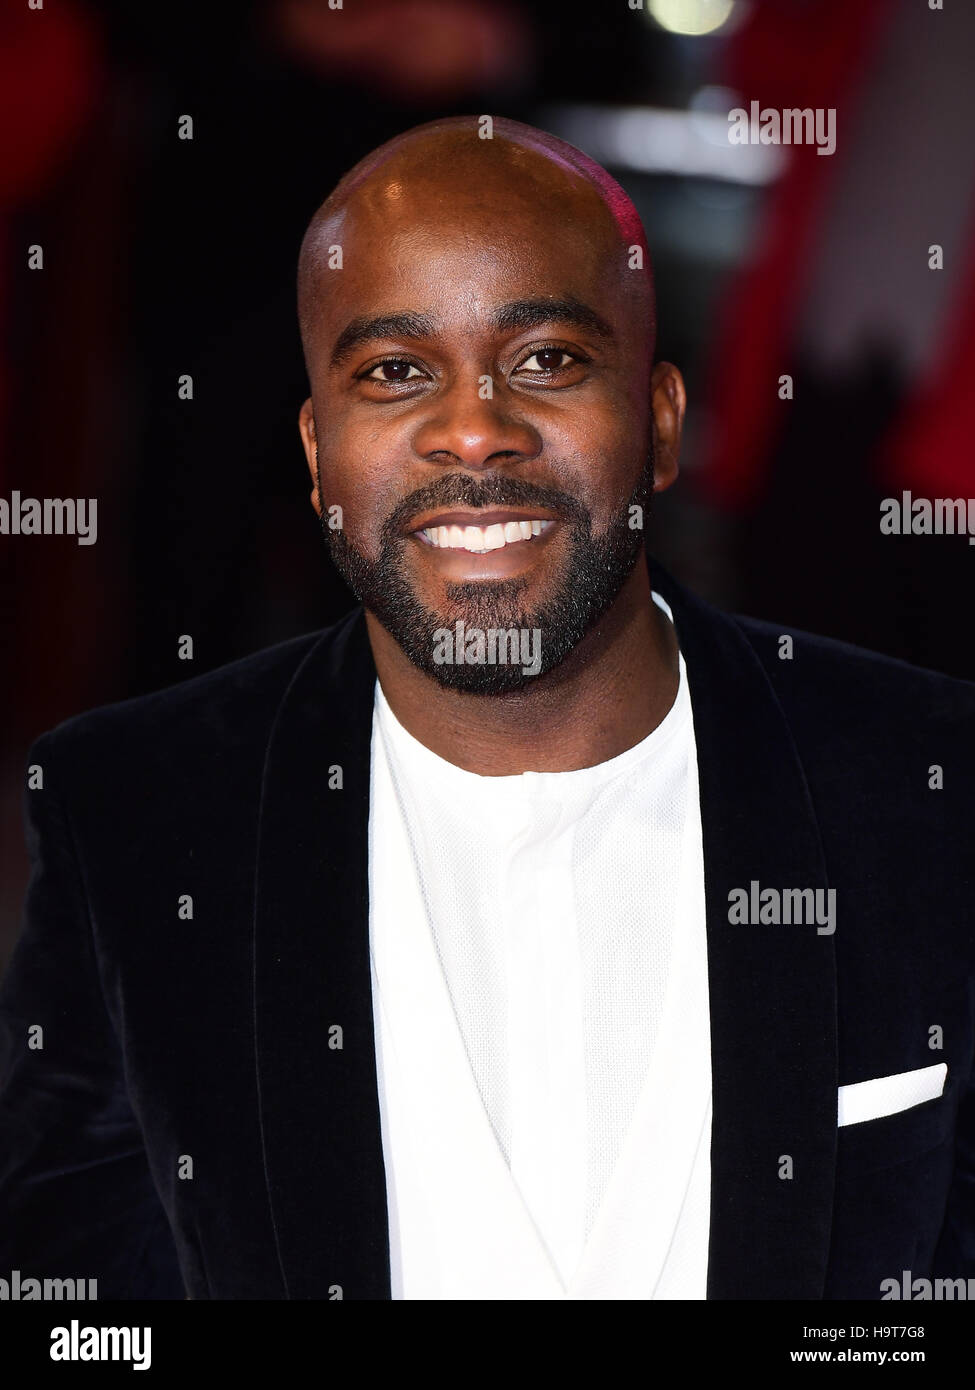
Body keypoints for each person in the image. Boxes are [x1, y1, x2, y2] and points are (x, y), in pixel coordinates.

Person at [0, 116, 972, 1301]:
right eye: (395, 372)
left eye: (548, 359)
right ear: (318, 454)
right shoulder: (135, 818)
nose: (475, 431)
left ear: (660, 422)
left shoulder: (931, 787)